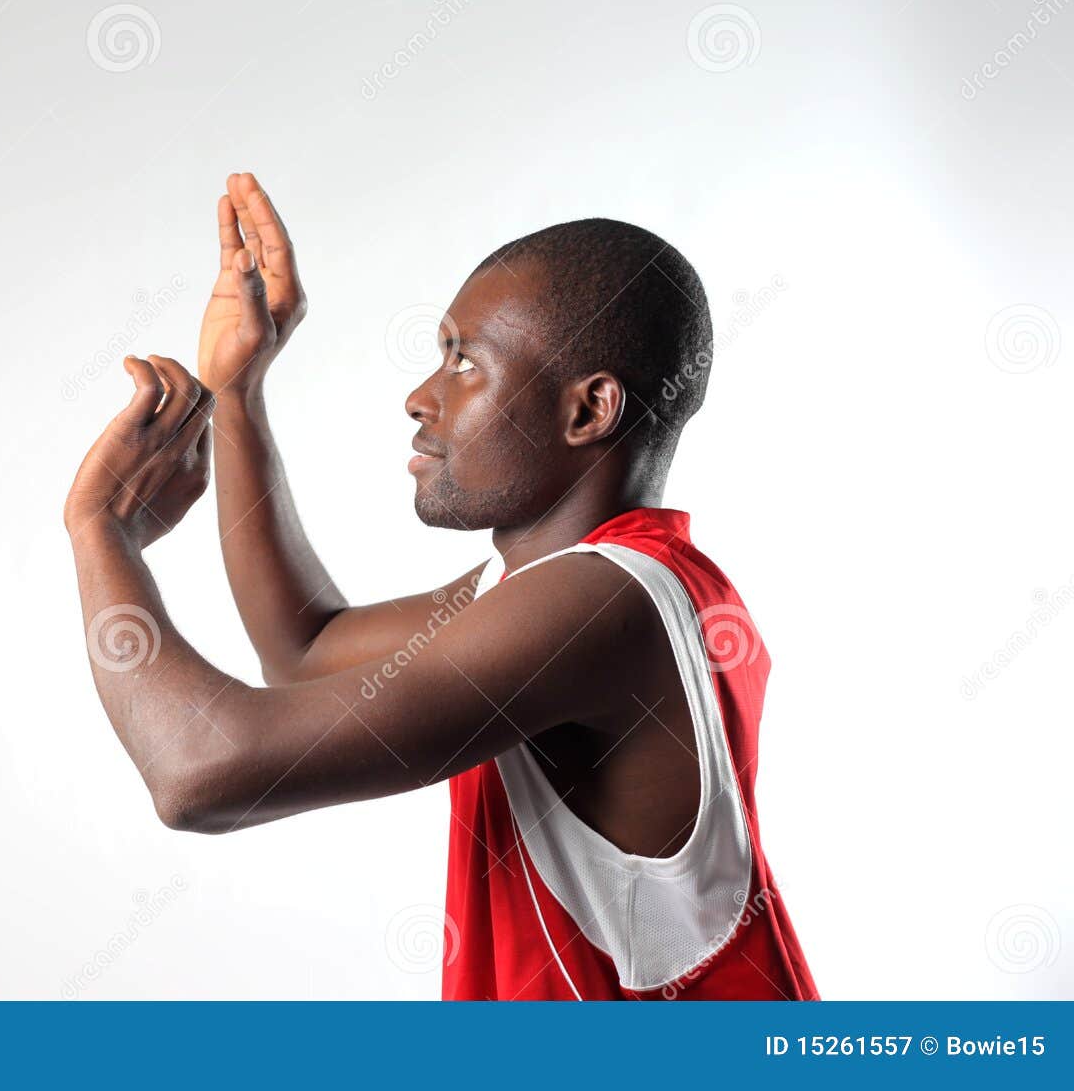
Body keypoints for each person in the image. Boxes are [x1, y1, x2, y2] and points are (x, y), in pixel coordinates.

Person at [63, 173, 816, 1000]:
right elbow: (306, 649)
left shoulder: (603, 605)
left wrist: (101, 530)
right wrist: (239, 395)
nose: (420, 397)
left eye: (464, 361)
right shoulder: (576, 585)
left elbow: (201, 770)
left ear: (589, 410)